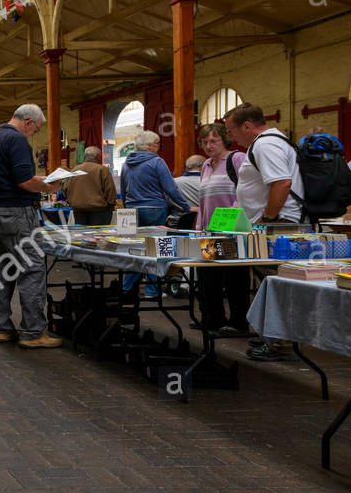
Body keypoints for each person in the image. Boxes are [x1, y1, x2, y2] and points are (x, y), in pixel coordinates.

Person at [224, 103, 304, 362]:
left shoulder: (266, 144)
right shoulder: (269, 142)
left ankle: (280, 341)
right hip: (272, 222)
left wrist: (267, 219)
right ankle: (274, 336)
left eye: (231, 130)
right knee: (270, 282)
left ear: (247, 126)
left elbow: (282, 183)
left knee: (276, 282)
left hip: (277, 224)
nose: (230, 136)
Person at [0, 104, 62, 349]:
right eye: (35, 129)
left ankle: (3, 329)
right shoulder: (17, 141)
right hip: (17, 213)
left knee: (2, 271)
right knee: (32, 269)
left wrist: (37, 180)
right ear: (28, 122)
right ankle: (33, 331)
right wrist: (49, 187)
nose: (33, 133)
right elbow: (24, 181)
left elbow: (6, 177)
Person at [120, 130, 192, 297]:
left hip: (131, 210)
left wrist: (128, 207)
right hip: (154, 209)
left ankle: (127, 287)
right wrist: (186, 207)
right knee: (155, 251)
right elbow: (170, 188)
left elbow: (123, 190)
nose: (159, 147)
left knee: (133, 250)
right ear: (150, 146)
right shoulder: (157, 161)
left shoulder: (126, 163)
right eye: (158, 143)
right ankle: (152, 291)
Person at [195, 122, 249, 336]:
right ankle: (213, 320)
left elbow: (245, 193)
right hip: (210, 231)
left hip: (231, 231)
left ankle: (238, 323)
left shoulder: (236, 159)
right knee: (209, 278)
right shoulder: (206, 165)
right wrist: (199, 227)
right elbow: (203, 201)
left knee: (235, 279)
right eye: (205, 142)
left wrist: (230, 221)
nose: (209, 145)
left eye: (214, 141)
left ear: (224, 140)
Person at [62, 146, 117, 225]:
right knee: (99, 236)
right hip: (100, 212)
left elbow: (65, 189)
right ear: (97, 156)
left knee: (82, 235)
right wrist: (111, 206)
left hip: (78, 211)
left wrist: (72, 202)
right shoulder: (102, 170)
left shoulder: (74, 170)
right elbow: (110, 191)